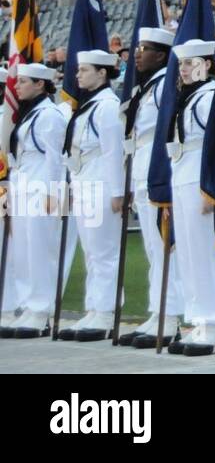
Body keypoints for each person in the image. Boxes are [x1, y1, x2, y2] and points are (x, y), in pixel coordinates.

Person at [118, 27, 183, 349]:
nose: (137, 54)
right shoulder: (146, 88)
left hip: (159, 171)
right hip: (141, 170)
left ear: (161, 55)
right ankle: (158, 311)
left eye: (145, 49)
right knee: (151, 250)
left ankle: (170, 316)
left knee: (164, 248)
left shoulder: (164, 87)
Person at [57, 50, 125, 342]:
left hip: (101, 184)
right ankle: (95, 308)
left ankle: (107, 311)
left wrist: (117, 192)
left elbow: (113, 151)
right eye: (78, 70)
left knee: (104, 252)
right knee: (91, 252)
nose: (78, 75)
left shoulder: (108, 106)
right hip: (85, 181)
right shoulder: (89, 105)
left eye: (85, 70)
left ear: (102, 73)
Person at [0, 64, 68, 339]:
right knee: (24, 251)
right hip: (23, 186)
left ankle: (41, 312)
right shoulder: (30, 113)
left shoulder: (50, 115)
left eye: (24, 82)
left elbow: (54, 158)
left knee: (40, 250)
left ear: (41, 84)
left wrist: (53, 194)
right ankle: (30, 306)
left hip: (41, 188)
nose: (16, 87)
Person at [167, 39, 215, 357]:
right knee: (188, 254)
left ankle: (213, 324)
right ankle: (198, 321)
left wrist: (211, 189)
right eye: (182, 65)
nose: (185, 70)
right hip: (182, 175)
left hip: (198, 181)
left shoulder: (207, 96)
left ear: (205, 64)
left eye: (190, 64)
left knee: (204, 253)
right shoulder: (188, 97)